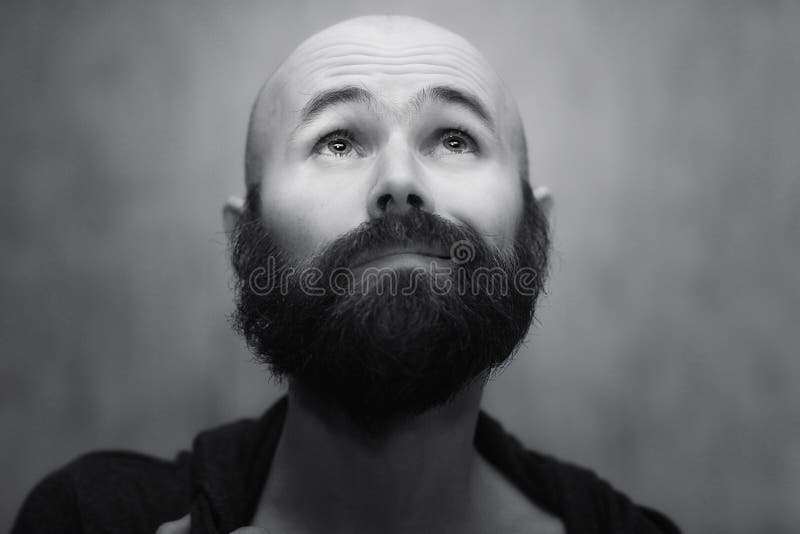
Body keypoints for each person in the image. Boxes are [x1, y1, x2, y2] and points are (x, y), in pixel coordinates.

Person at [13, 15, 681, 534]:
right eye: (337, 141)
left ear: (536, 232)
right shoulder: (92, 519)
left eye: (455, 139)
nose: (398, 182)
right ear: (246, 237)